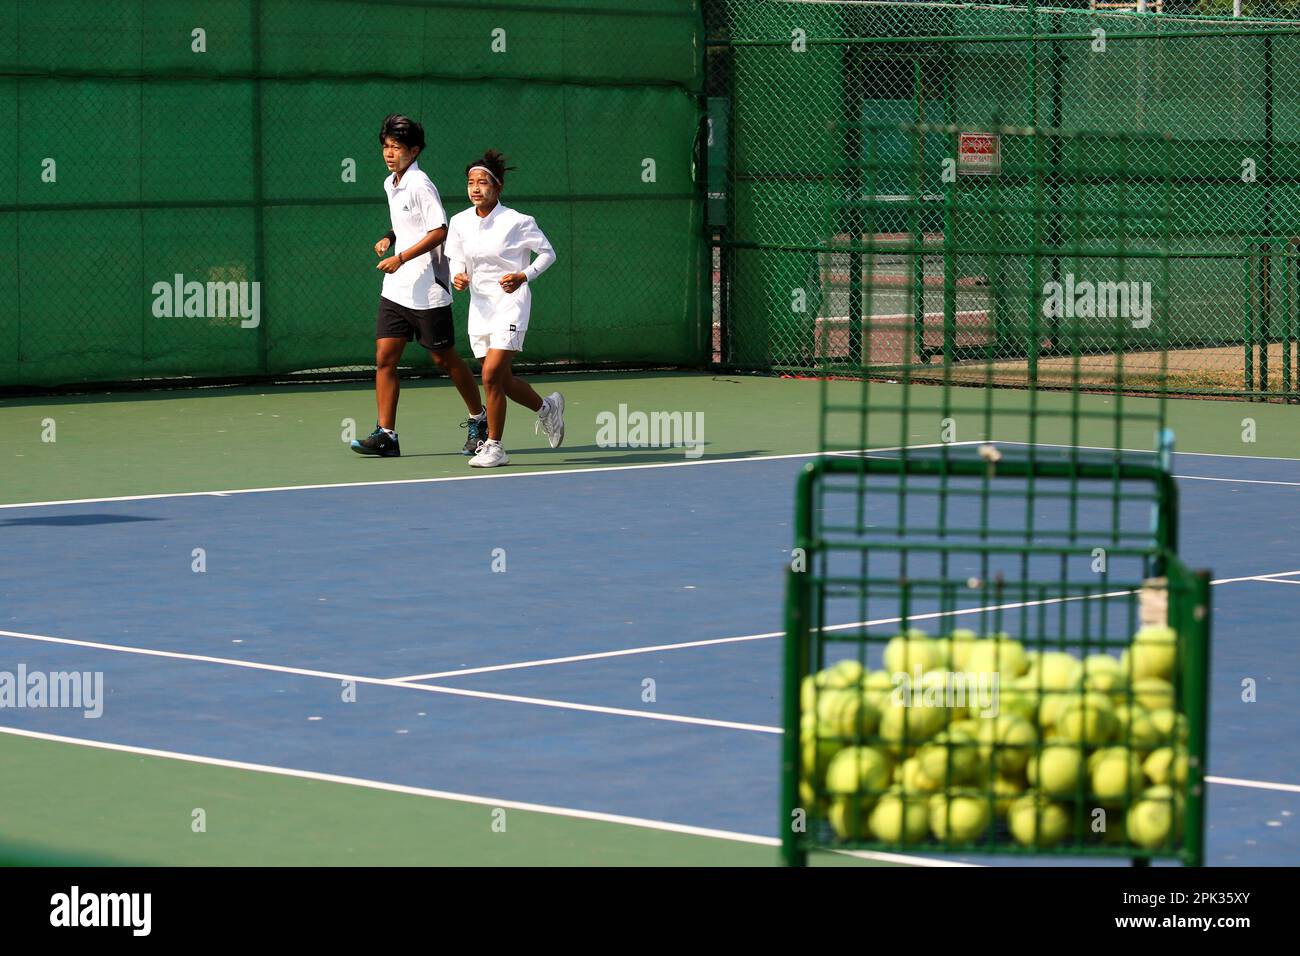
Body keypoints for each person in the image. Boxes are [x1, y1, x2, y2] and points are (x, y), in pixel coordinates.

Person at [351, 114, 488, 458]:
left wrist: (400, 257)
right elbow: (408, 223)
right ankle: (386, 435)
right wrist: (389, 237)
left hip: (429, 288)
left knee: (443, 358)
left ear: (414, 151)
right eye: (386, 146)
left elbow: (439, 229)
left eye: (396, 147)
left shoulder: (420, 183)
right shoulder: (391, 183)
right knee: (385, 358)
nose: (389, 153)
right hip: (397, 289)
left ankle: (479, 419)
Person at [446, 149, 563, 468]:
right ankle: (548, 409)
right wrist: (459, 275)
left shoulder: (518, 221)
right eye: (471, 182)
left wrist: (523, 275)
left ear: (498, 186)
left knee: (490, 375)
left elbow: (547, 254)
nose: (475, 188)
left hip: (512, 305)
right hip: (480, 309)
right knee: (502, 381)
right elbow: (456, 257)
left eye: (483, 182)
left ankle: (494, 446)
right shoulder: (459, 222)